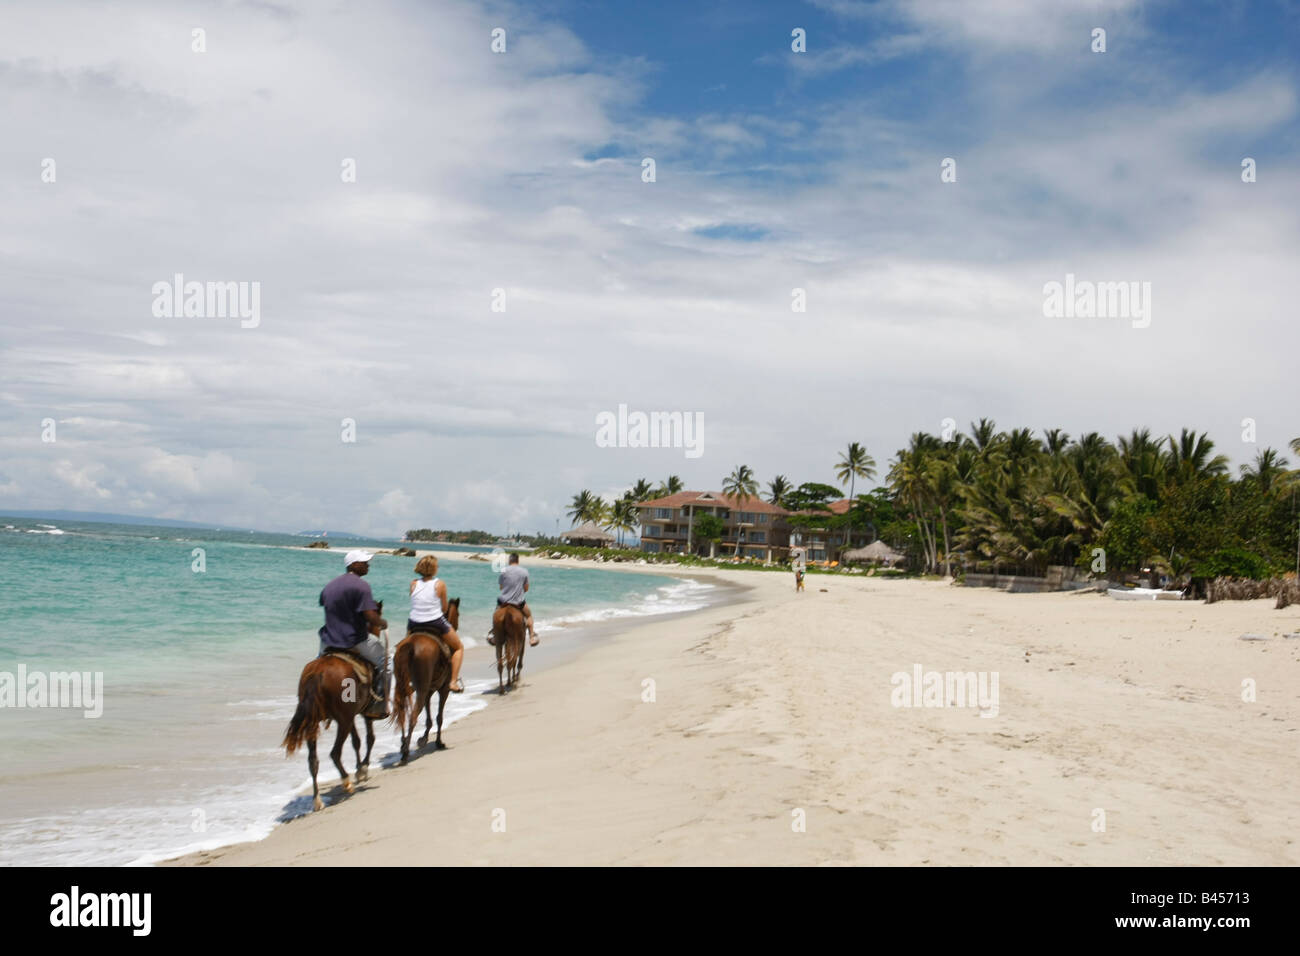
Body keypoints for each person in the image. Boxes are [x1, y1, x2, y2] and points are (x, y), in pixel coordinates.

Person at [318, 550, 389, 718]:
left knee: (316, 666)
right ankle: (379, 704)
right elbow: (370, 616)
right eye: (364, 562)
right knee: (387, 663)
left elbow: (325, 604)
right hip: (354, 640)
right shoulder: (362, 586)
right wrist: (382, 622)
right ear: (354, 565)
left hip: (328, 640)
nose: (368, 565)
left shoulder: (329, 586)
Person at [407, 555, 465, 693]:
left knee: (405, 647)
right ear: (433, 568)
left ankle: (408, 678)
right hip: (434, 621)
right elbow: (444, 608)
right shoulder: (440, 584)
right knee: (459, 647)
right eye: (437, 566)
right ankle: (453, 682)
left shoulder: (413, 583)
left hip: (414, 622)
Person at [490, 552, 538, 647]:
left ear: (509, 561)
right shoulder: (524, 571)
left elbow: (501, 587)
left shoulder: (503, 571)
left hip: (503, 602)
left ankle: (494, 634)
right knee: (529, 616)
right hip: (518, 602)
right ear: (518, 561)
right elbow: (526, 589)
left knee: (495, 615)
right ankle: (531, 637)